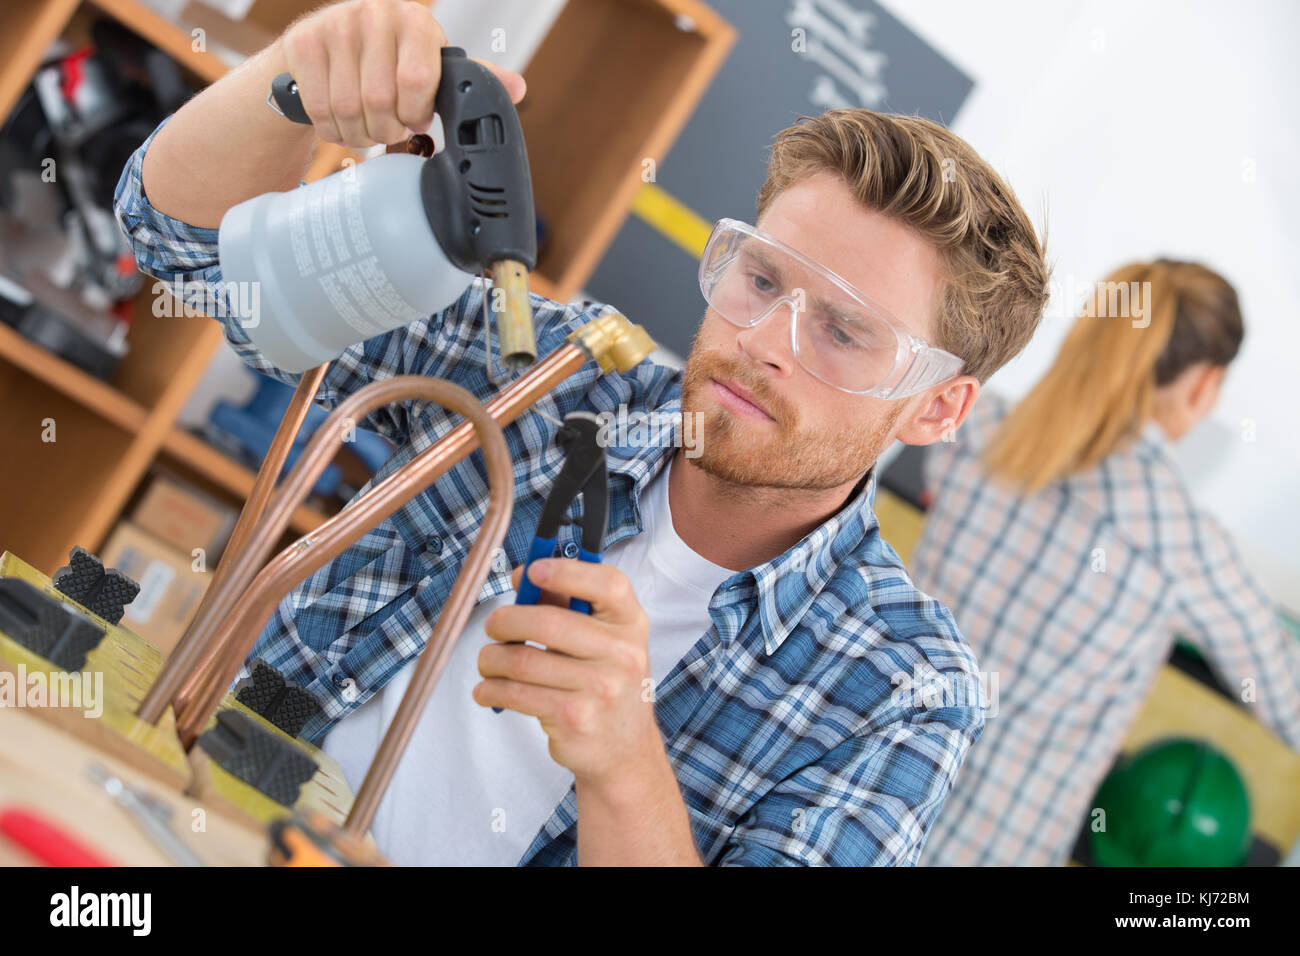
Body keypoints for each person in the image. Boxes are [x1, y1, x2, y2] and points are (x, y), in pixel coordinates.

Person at [113, 0, 1049, 865]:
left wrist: (622, 764)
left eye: (844, 332)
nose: (764, 342)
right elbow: (183, 246)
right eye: (760, 280)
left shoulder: (905, 689)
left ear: (937, 409)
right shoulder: (556, 373)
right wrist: (298, 78)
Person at [912, 258, 1300, 866]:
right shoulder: (1180, 542)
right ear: (1204, 388)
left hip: (858, 808)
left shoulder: (978, 428)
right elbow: (1289, 700)